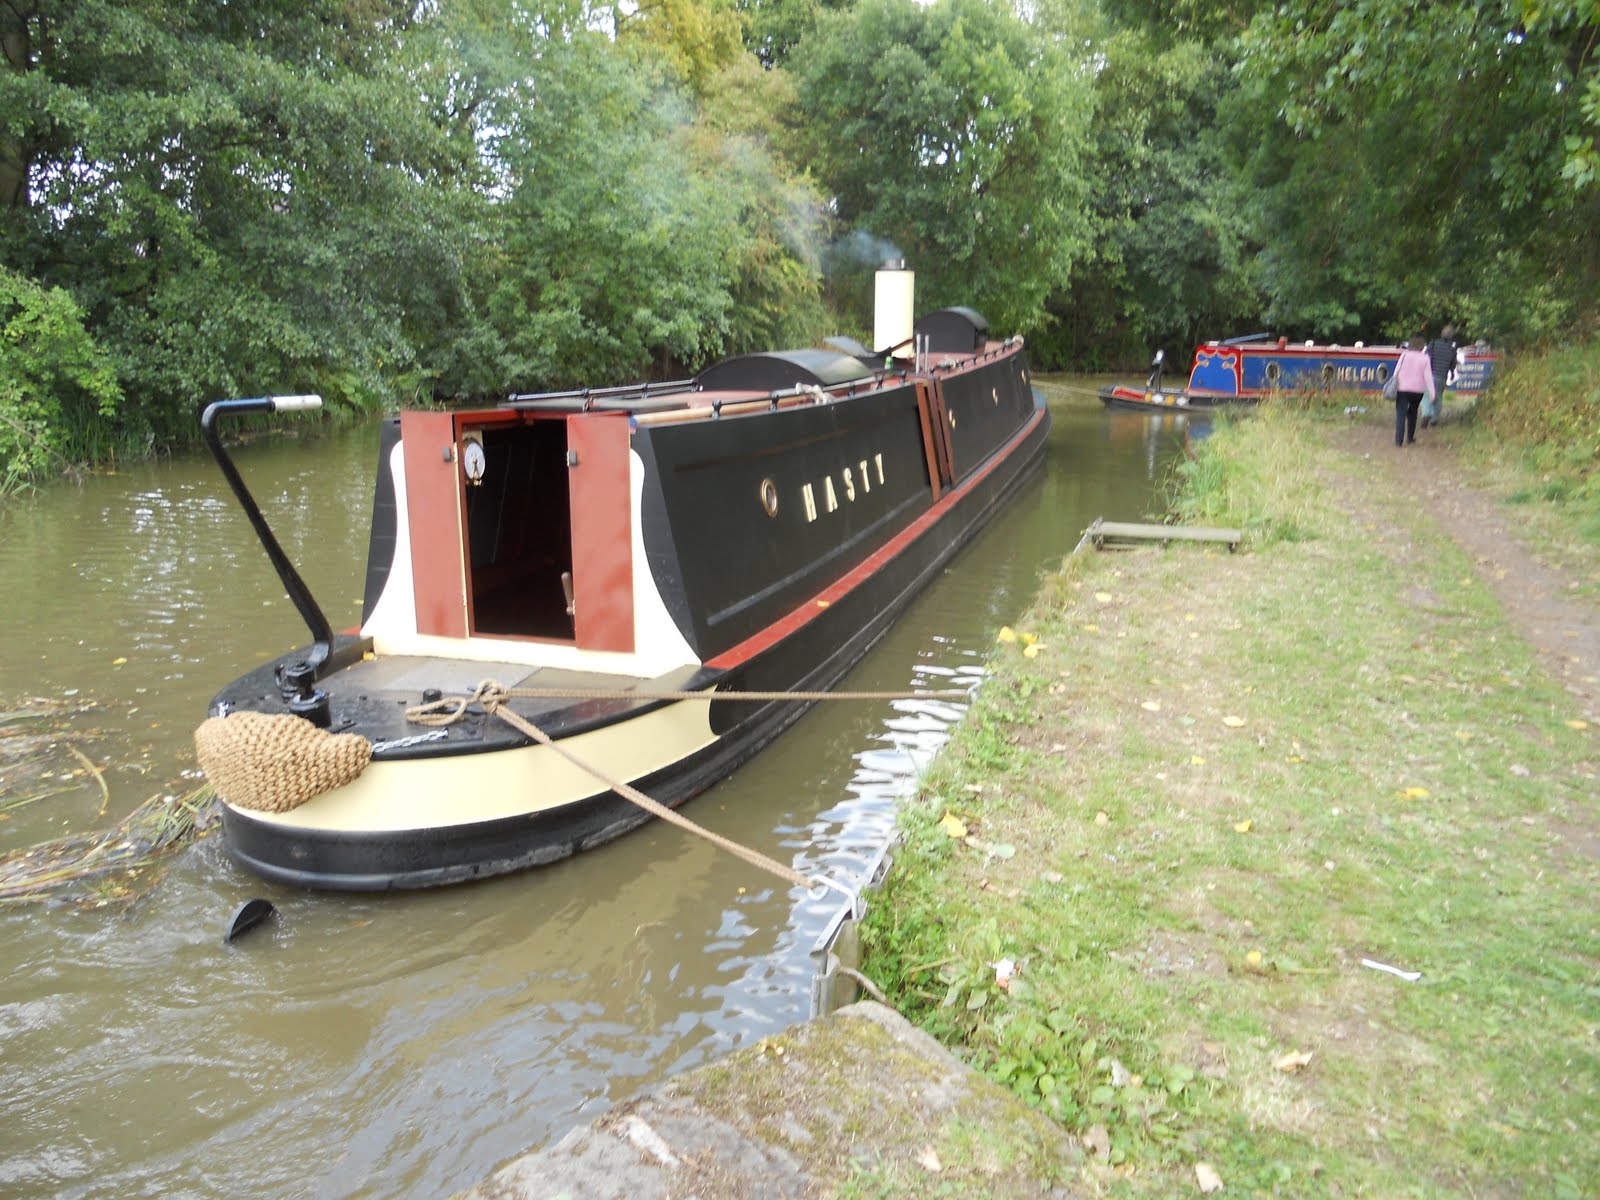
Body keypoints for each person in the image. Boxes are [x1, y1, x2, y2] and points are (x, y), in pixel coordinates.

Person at [1392, 335, 1435, 447]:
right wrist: (1432, 392)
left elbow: (1396, 371)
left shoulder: (1404, 355)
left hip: (1403, 388)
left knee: (1401, 413)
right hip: (1418, 390)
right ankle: (1410, 437)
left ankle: (1398, 440)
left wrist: (1393, 383)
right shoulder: (1425, 358)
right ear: (1422, 347)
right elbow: (1428, 376)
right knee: (1413, 412)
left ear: (1410, 345)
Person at [1422, 322, 1458, 426]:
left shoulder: (1433, 344)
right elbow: (1453, 364)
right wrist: (1451, 373)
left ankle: (1426, 413)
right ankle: (1434, 419)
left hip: (1430, 374)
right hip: (1442, 376)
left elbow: (1425, 357)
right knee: (1438, 397)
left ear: (1442, 334)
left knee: (1427, 396)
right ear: (1451, 336)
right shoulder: (1452, 349)